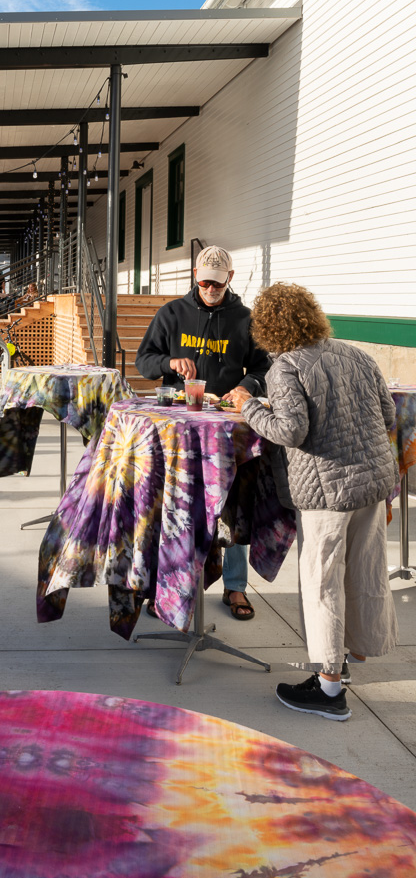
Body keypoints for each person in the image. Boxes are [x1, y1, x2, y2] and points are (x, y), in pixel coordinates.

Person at [232, 283, 398, 721]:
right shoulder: (357, 354)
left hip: (327, 491)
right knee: (363, 571)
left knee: (322, 583)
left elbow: (290, 431)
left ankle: (329, 689)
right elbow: (389, 416)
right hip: (373, 482)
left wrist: (249, 407)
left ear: (268, 326)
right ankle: (349, 657)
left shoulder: (284, 367)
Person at [135, 245, 272, 620]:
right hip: (180, 425)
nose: (211, 287)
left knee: (235, 501)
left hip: (228, 426)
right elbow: (143, 361)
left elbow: (264, 367)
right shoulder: (172, 313)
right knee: (177, 505)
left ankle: (236, 587)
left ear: (230, 277)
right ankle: (170, 586)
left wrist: (247, 386)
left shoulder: (245, 318)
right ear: (196, 276)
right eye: (205, 280)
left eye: (218, 280)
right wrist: (168, 361)